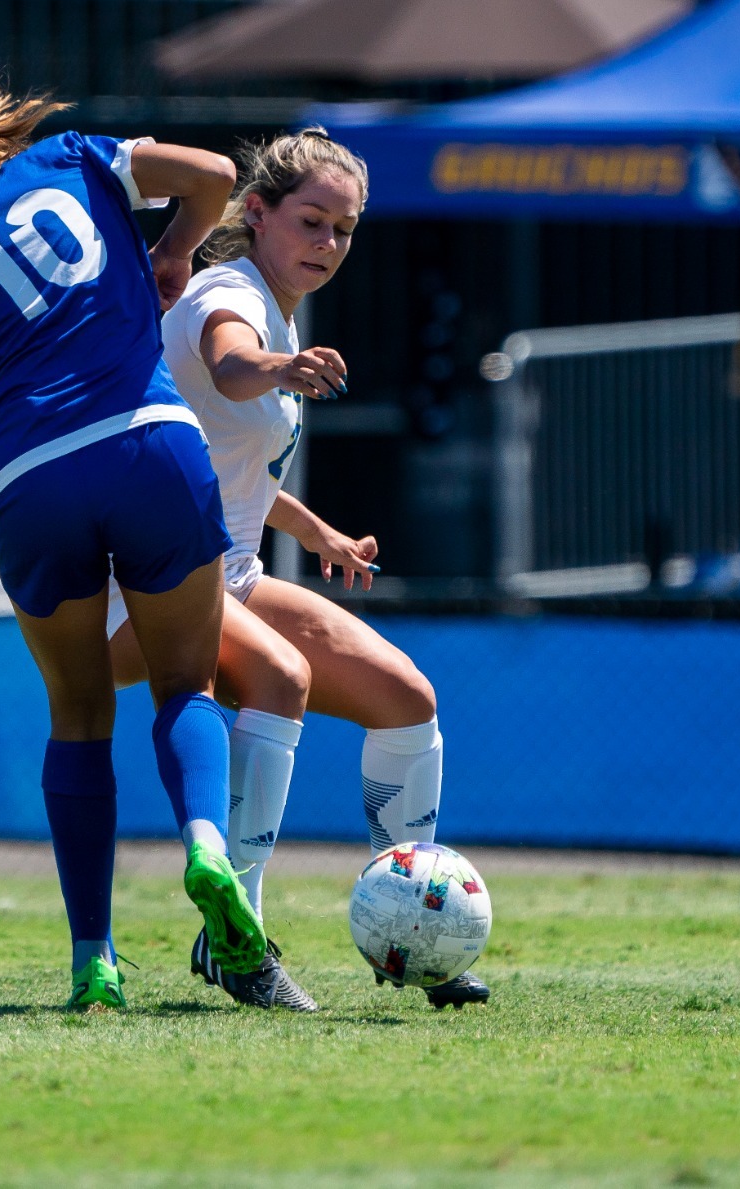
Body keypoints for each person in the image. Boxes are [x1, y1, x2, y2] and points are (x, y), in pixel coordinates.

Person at [0, 13, 263, 1010]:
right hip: (151, 442)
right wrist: (170, 258)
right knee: (185, 682)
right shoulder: (76, 158)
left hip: (30, 477)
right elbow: (213, 172)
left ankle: (93, 959)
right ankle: (208, 850)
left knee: (79, 712)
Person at [106, 128, 488, 1011]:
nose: (327, 244)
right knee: (283, 678)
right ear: (256, 213)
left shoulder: (280, 303)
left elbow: (231, 462)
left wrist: (318, 532)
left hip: (222, 570)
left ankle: (420, 931)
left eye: (344, 230)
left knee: (408, 703)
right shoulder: (227, 290)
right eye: (311, 222)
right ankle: (235, 937)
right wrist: (285, 366)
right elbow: (235, 370)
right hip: (141, 580)